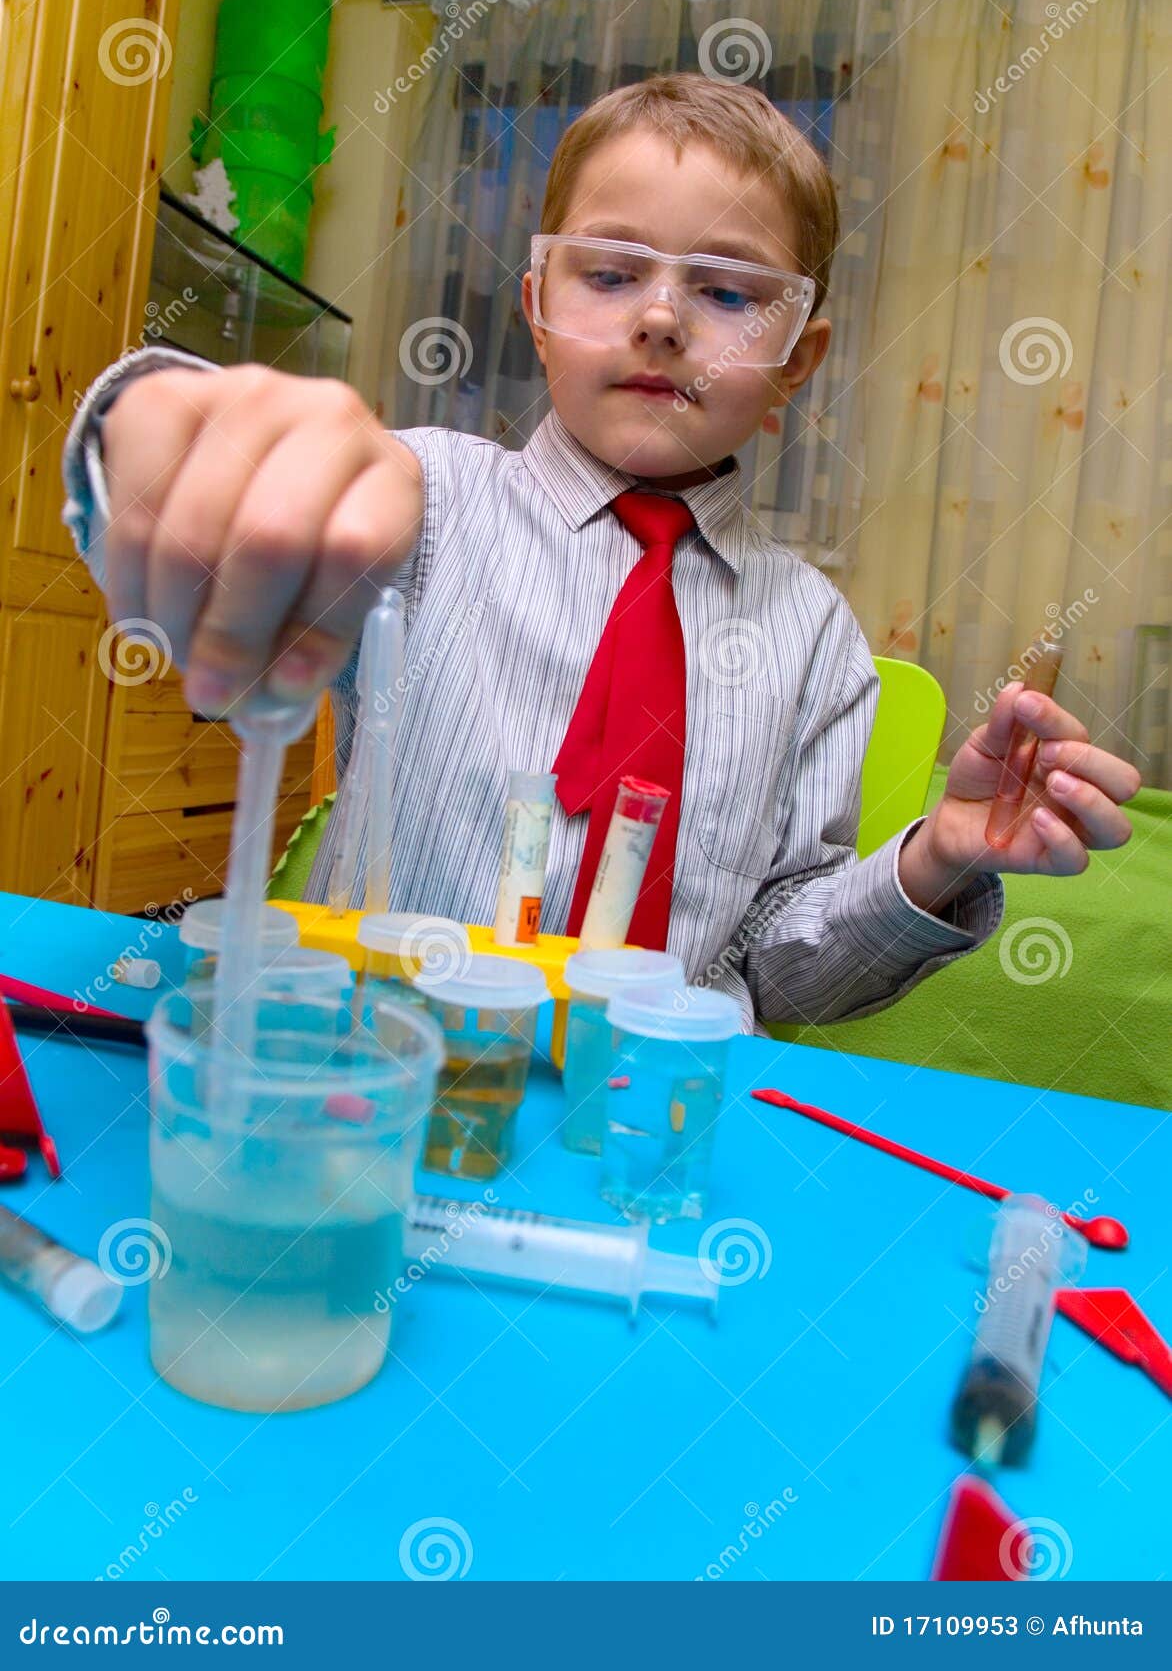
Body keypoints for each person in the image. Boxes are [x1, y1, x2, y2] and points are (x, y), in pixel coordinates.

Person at [61, 74, 1139, 1034]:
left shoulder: (814, 638)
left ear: (795, 357)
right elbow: (220, 526)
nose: (660, 319)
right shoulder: (421, 500)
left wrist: (935, 857)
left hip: (648, 1122)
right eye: (611, 274)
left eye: (727, 292)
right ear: (537, 308)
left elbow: (780, 972)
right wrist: (156, 433)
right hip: (384, 1080)